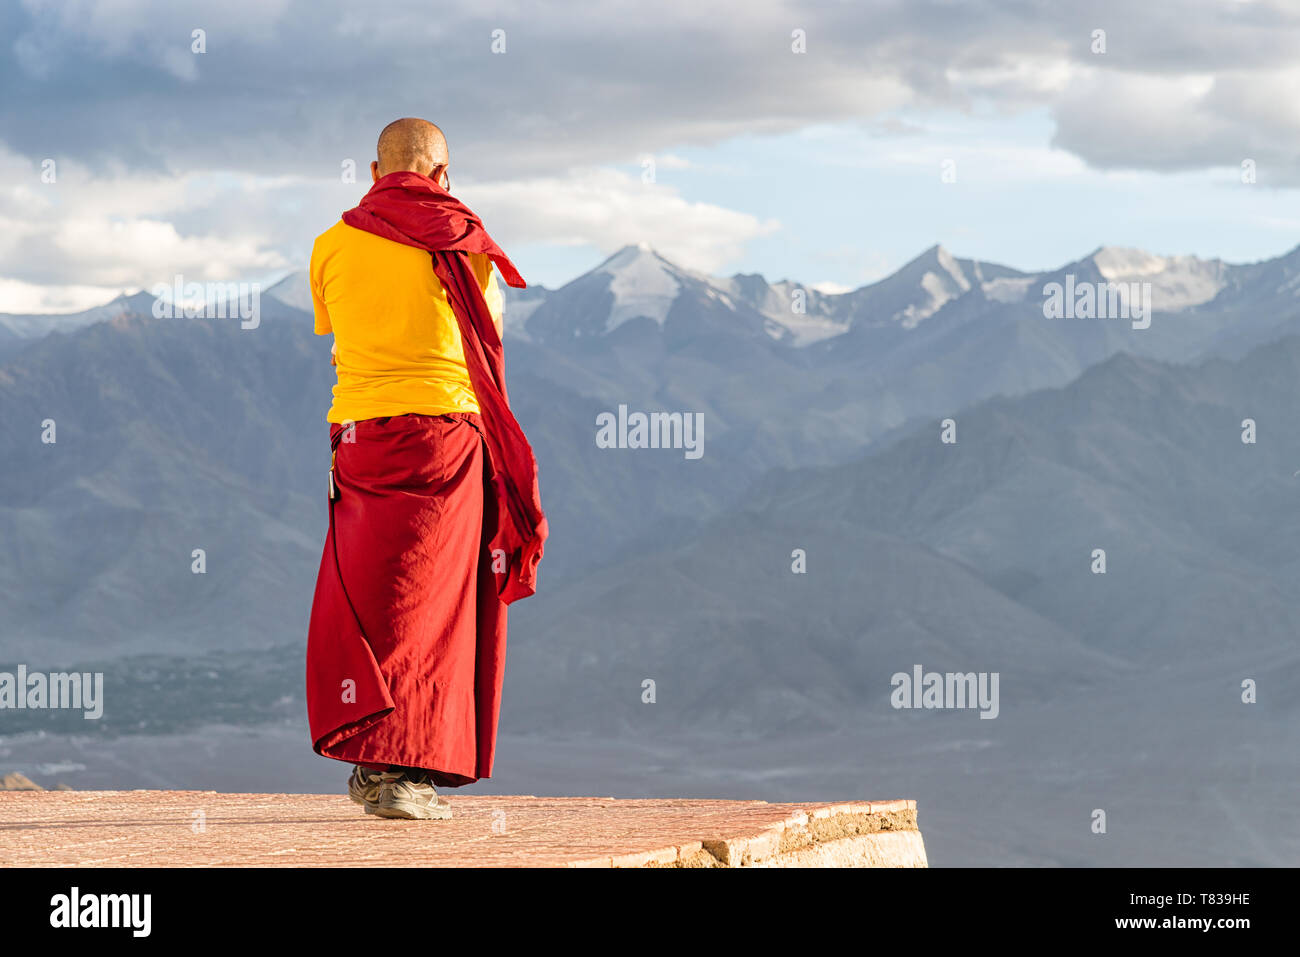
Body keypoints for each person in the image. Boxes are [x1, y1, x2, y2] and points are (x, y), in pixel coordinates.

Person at [304, 118, 547, 820]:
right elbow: (482, 335)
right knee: (433, 609)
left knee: (373, 599)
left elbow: (343, 332)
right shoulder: (464, 242)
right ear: (443, 177)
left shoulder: (331, 245)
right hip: (445, 439)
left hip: (360, 442)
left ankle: (376, 759)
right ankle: (399, 773)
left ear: (374, 173)